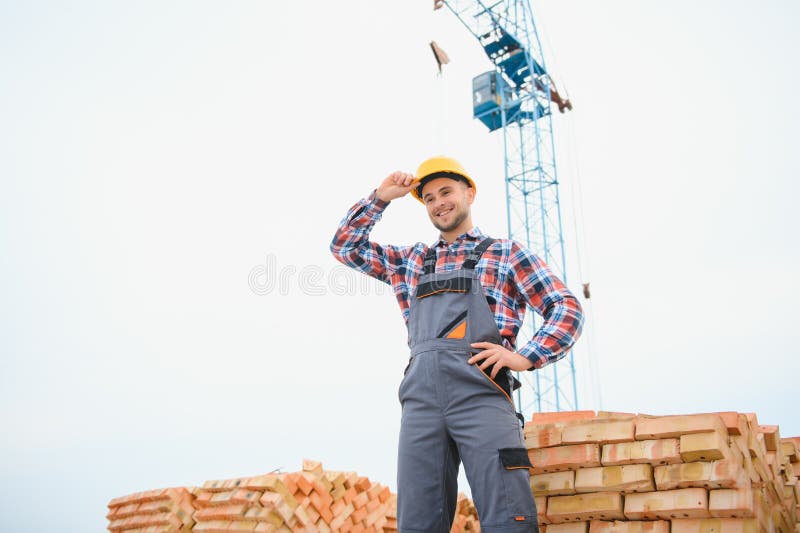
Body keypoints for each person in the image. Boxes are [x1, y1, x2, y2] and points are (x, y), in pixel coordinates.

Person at [330, 156, 584, 533]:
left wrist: (525, 357)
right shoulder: (411, 261)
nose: (438, 203)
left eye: (446, 192)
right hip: (421, 403)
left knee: (507, 515)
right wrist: (380, 198)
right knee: (418, 522)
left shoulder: (505, 253)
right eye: (429, 198)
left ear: (469, 193)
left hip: (482, 395)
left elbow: (565, 308)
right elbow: (345, 247)